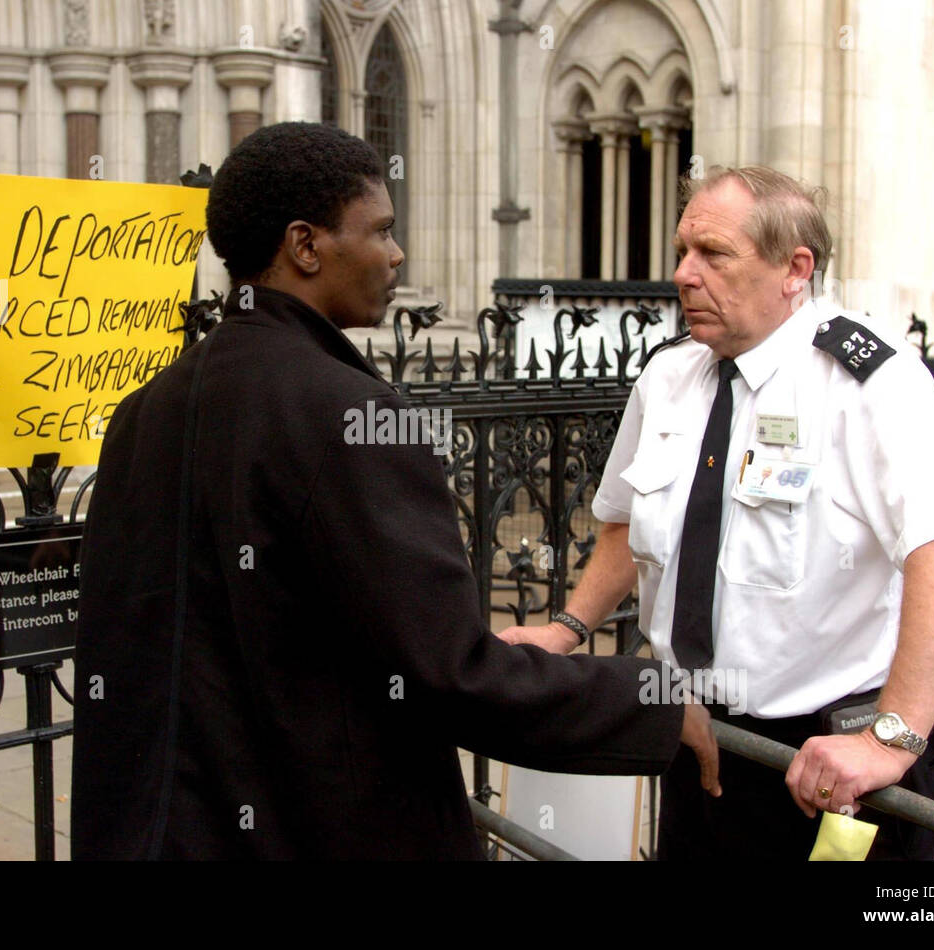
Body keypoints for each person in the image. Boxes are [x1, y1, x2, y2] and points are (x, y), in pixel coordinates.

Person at [70, 122, 719, 860]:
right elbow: (451, 672)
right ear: (306, 246)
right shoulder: (356, 416)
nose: (396, 254)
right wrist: (649, 702)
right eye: (380, 230)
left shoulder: (144, 409)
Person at [500, 166, 934, 860]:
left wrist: (891, 738)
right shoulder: (670, 376)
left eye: (714, 254)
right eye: (682, 251)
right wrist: (567, 627)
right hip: (694, 738)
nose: (683, 273)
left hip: (832, 772)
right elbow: (624, 523)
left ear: (795, 269)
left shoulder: (865, 382)